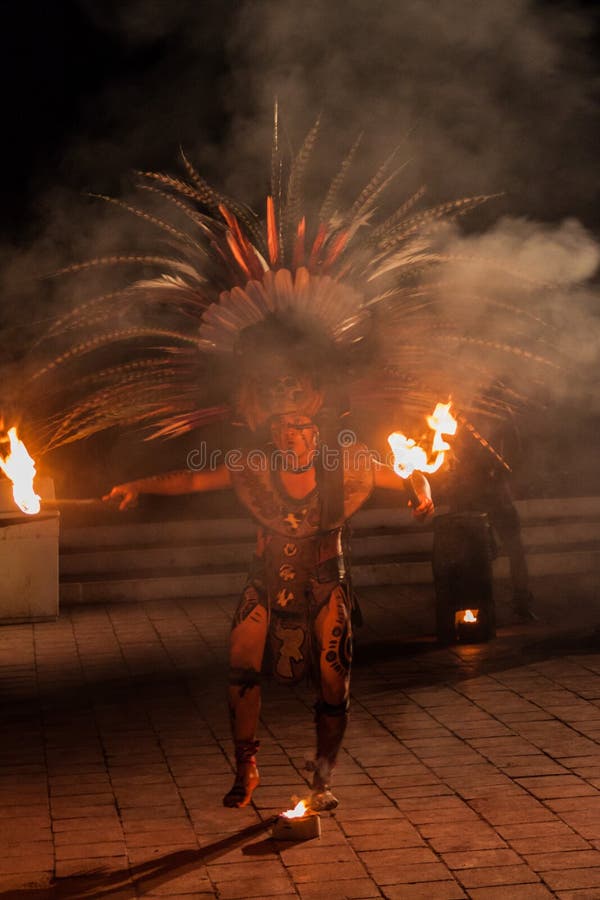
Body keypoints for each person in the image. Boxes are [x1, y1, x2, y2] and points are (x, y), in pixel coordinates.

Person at [104, 409, 433, 812]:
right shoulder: (254, 468)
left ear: (317, 432)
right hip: (265, 579)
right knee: (241, 665)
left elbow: (410, 472)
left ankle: (323, 776)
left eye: (296, 427)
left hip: (325, 584)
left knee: (333, 681)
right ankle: (246, 770)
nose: (286, 434)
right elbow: (192, 479)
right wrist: (137, 486)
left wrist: (423, 494)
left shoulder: (348, 465)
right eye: (279, 426)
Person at [443, 419, 534, 619]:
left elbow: (514, 450)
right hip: (469, 494)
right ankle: (476, 604)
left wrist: (501, 468)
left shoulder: (497, 414)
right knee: (474, 553)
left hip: (497, 493)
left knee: (515, 548)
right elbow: (449, 452)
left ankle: (521, 601)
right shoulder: (456, 417)